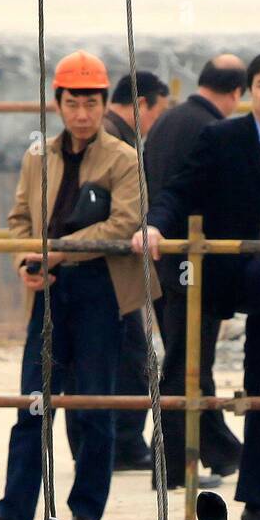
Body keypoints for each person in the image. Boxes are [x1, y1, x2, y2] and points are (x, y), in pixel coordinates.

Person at [134, 50, 260, 520]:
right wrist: (154, 226)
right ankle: (183, 464)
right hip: (223, 272)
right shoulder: (221, 138)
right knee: (190, 363)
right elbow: (178, 190)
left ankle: (257, 499)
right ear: (248, 94)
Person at [0, 50, 147, 520]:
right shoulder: (37, 155)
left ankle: (85, 510)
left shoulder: (123, 159)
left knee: (94, 403)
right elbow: (20, 220)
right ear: (58, 103)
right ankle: (13, 512)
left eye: (91, 103)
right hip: (48, 291)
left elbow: (124, 223)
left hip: (100, 289)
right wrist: (27, 261)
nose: (81, 114)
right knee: (34, 403)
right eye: (72, 103)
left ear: (104, 104)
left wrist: (60, 252)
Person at [144, 54, 248, 489]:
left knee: (192, 364)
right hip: (193, 264)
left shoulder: (169, 120)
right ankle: (167, 466)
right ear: (237, 94)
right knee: (185, 366)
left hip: (165, 261)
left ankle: (221, 452)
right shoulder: (212, 130)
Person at [67, 69, 169, 472]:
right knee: (126, 361)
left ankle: (115, 445)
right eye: (159, 112)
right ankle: (121, 445)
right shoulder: (113, 143)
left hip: (102, 271)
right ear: (142, 105)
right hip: (106, 273)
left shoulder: (116, 139)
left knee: (110, 362)